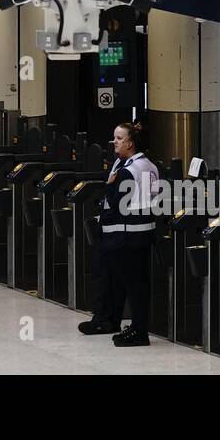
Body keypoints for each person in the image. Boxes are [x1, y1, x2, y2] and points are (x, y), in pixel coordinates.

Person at [80, 121, 158, 346]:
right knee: (135, 284)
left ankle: (138, 331)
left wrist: (110, 185)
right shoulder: (148, 166)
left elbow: (116, 202)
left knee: (134, 285)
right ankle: (126, 325)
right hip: (140, 233)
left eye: (119, 139)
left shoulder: (127, 171)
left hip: (125, 234)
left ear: (130, 143)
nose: (114, 142)